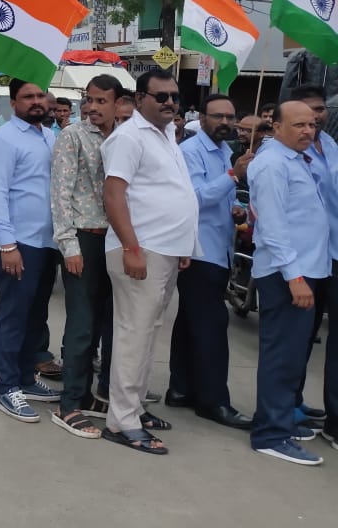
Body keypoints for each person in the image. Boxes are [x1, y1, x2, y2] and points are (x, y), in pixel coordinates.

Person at [100, 69, 198, 454]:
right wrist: (131, 248)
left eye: (174, 96)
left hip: (166, 250)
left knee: (148, 333)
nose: (170, 102)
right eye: (161, 96)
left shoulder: (168, 134)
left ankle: (135, 408)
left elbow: (173, 192)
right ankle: (121, 422)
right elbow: (113, 195)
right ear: (139, 99)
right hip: (141, 250)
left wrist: (184, 244)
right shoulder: (128, 137)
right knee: (132, 336)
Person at [248, 101, 330, 466]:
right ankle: (271, 434)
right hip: (287, 274)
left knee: (293, 356)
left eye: (311, 125)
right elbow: (274, 228)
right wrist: (294, 277)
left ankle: (279, 420)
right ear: (275, 126)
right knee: (282, 356)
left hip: (307, 269)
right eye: (298, 125)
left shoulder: (296, 159)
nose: (307, 131)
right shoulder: (271, 165)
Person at [167, 94, 253, 429]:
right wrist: (233, 176)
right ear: (201, 117)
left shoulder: (222, 151)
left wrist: (236, 208)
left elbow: (219, 199)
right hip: (199, 252)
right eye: (218, 117)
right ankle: (214, 400)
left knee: (191, 322)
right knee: (212, 327)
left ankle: (182, 388)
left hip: (219, 249)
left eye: (231, 117)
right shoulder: (190, 152)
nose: (226, 123)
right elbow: (194, 199)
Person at [48, 74, 121, 437]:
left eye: (100, 101)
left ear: (117, 103)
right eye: (88, 99)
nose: (92, 107)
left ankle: (89, 393)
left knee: (104, 323)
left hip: (116, 242)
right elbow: (60, 195)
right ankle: (70, 404)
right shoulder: (72, 136)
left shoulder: (124, 138)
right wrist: (69, 245)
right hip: (84, 239)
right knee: (81, 323)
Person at [0, 79, 61, 422]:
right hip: (20, 243)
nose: (36, 101)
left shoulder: (49, 135)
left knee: (36, 314)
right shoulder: (4, 139)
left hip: (48, 241)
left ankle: (28, 378)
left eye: (40, 95)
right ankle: (7, 387)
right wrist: (7, 244)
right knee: (14, 315)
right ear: (14, 101)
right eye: (28, 96)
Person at [287, 85, 335, 427]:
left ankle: (329, 414)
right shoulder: (286, 154)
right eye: (307, 111)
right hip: (305, 256)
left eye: (319, 110)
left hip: (333, 254)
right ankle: (287, 404)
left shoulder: (330, 145)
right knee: (298, 337)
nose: (314, 117)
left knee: (323, 337)